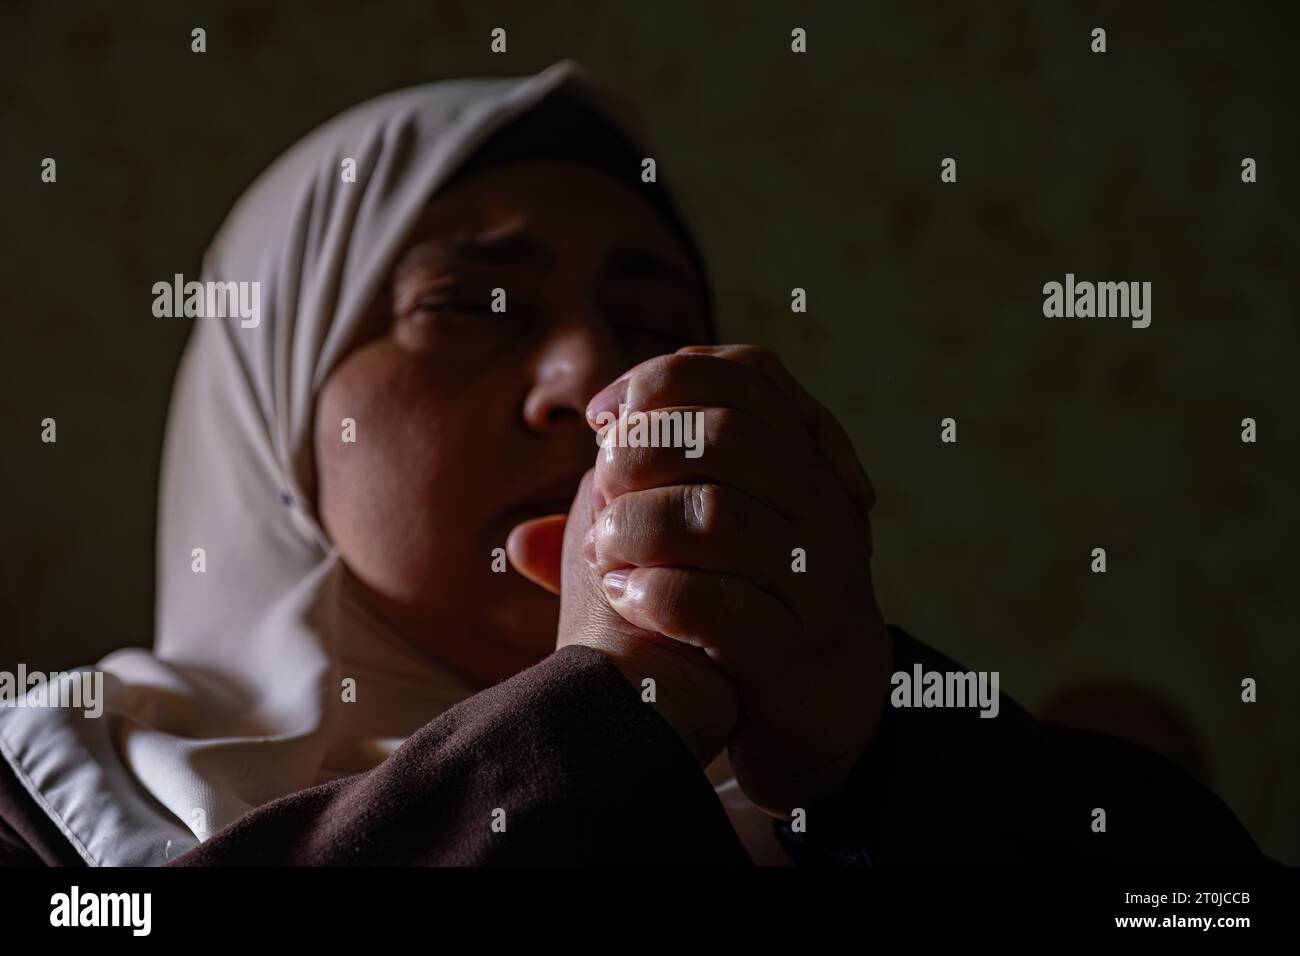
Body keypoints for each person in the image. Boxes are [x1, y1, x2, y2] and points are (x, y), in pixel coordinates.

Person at [0, 60, 1267, 867]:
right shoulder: (57, 799)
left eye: (654, 326)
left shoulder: (884, 787)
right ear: (272, 415)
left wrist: (880, 752)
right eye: (472, 303)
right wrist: (589, 733)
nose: (592, 387)